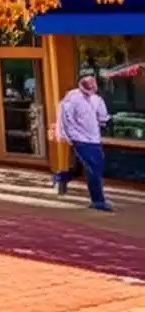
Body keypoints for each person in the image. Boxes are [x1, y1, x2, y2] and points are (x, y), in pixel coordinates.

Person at [53, 70, 113, 211]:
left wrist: (107, 122)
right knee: (93, 167)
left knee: (81, 169)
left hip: (94, 139)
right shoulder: (72, 98)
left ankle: (61, 177)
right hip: (79, 139)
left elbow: (103, 118)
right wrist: (71, 137)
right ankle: (98, 201)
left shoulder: (97, 100)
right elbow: (66, 120)